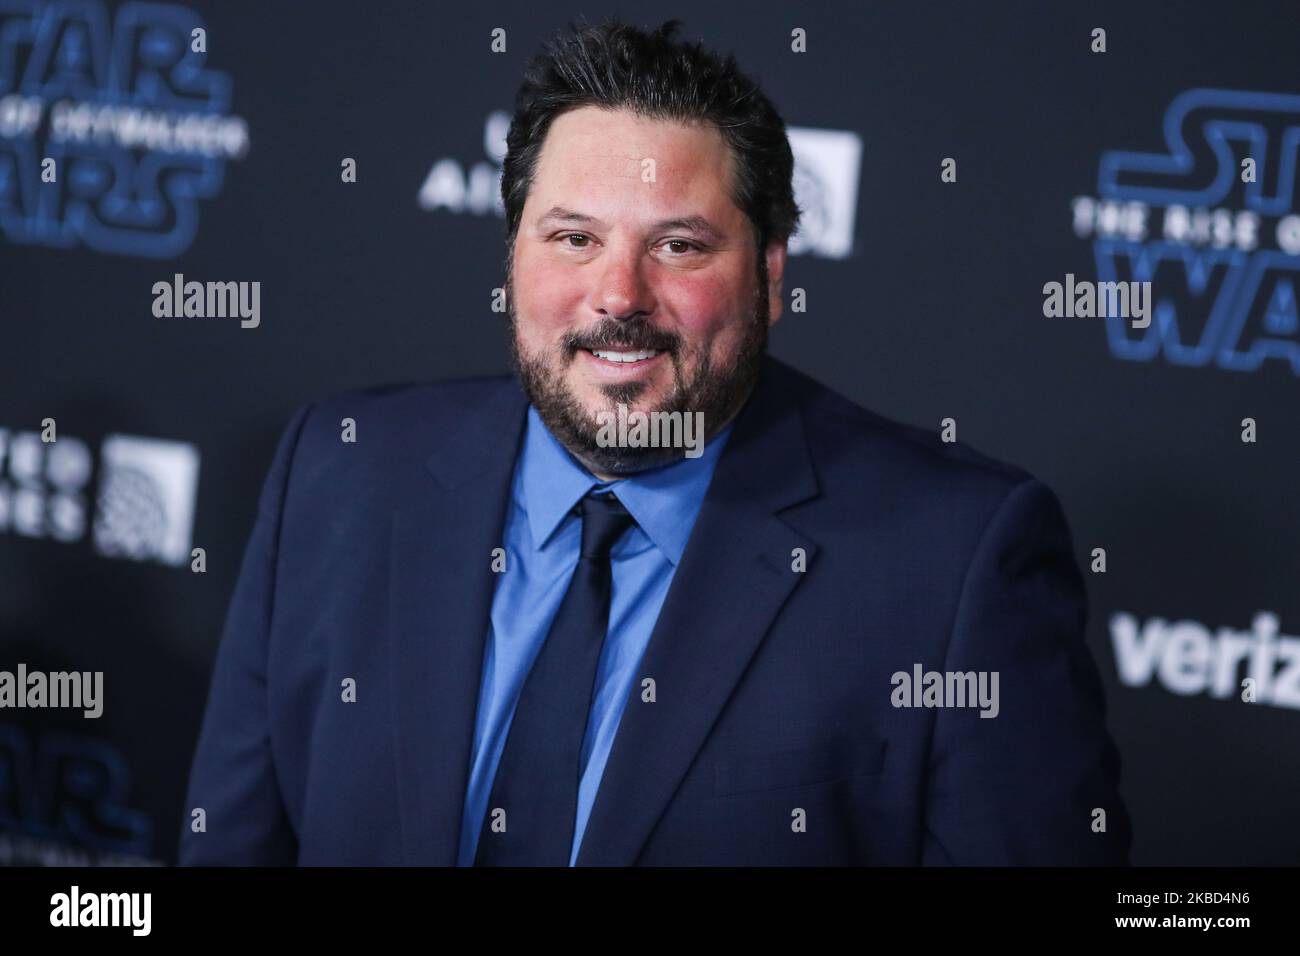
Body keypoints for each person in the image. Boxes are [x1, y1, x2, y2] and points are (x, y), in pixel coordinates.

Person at [179, 17, 1131, 866]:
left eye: (678, 245)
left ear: (768, 270)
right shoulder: (336, 473)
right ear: (512, 252)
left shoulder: (954, 562)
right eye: (573, 238)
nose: (619, 297)